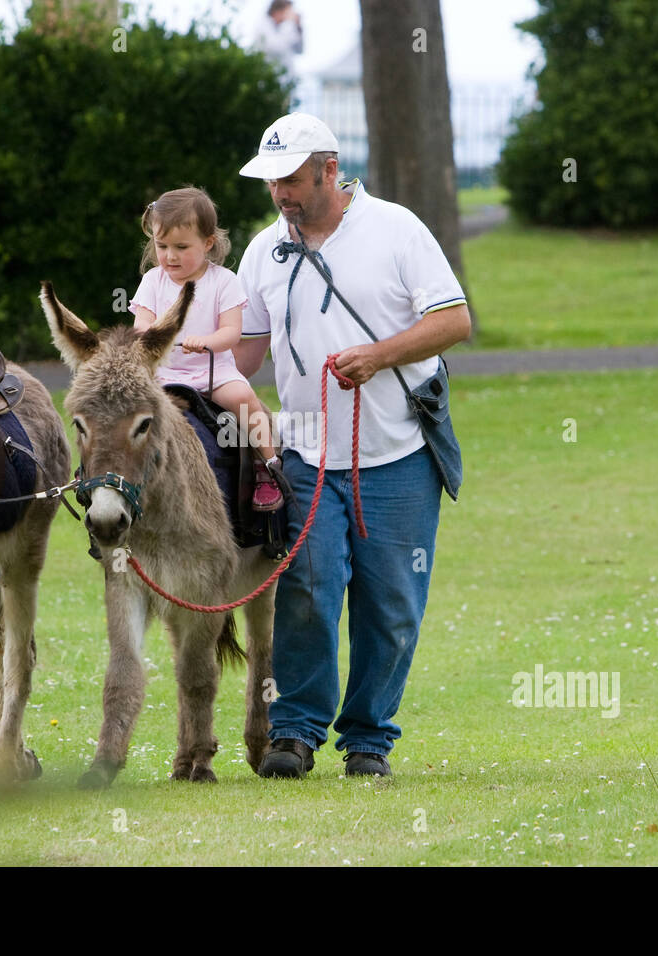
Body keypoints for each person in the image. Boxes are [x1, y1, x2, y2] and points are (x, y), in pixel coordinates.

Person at [234, 113, 471, 778]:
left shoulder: (396, 229)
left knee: (392, 602)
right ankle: (296, 731)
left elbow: (453, 320)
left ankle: (368, 739)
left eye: (293, 180)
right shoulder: (262, 250)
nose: (282, 194)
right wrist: (187, 360)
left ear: (329, 171)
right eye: (272, 182)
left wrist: (378, 355)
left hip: (398, 454)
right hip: (306, 453)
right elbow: (249, 352)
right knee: (307, 587)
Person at [131, 186, 282, 511]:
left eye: (182, 247)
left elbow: (231, 332)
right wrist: (156, 335)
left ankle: (267, 467)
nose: (170, 256)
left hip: (213, 372)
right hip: (165, 374)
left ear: (208, 243)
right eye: (162, 246)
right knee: (124, 412)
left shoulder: (223, 281)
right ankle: (120, 477)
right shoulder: (152, 282)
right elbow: (141, 328)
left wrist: (207, 342)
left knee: (243, 400)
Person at [252, 1, 304, 86]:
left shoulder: (283, 27)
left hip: (285, 84)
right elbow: (277, 48)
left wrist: (298, 27)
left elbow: (300, 50)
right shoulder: (263, 24)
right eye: (289, 11)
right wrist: (289, 23)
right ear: (278, 11)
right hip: (268, 83)